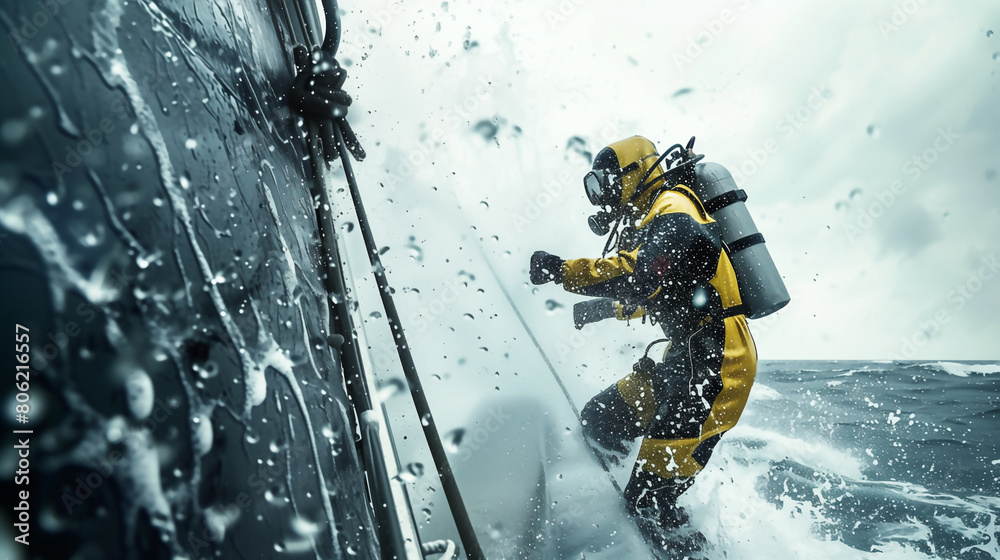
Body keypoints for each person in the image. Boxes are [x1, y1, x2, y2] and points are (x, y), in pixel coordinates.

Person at [528, 136, 757, 532]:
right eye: (594, 187)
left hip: (719, 366)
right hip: (681, 360)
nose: (603, 198)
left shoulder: (676, 208)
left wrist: (561, 270)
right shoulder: (655, 221)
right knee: (600, 420)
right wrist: (599, 310)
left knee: (650, 503)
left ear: (634, 175)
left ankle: (660, 519)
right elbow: (657, 292)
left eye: (606, 183)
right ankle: (630, 490)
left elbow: (639, 276)